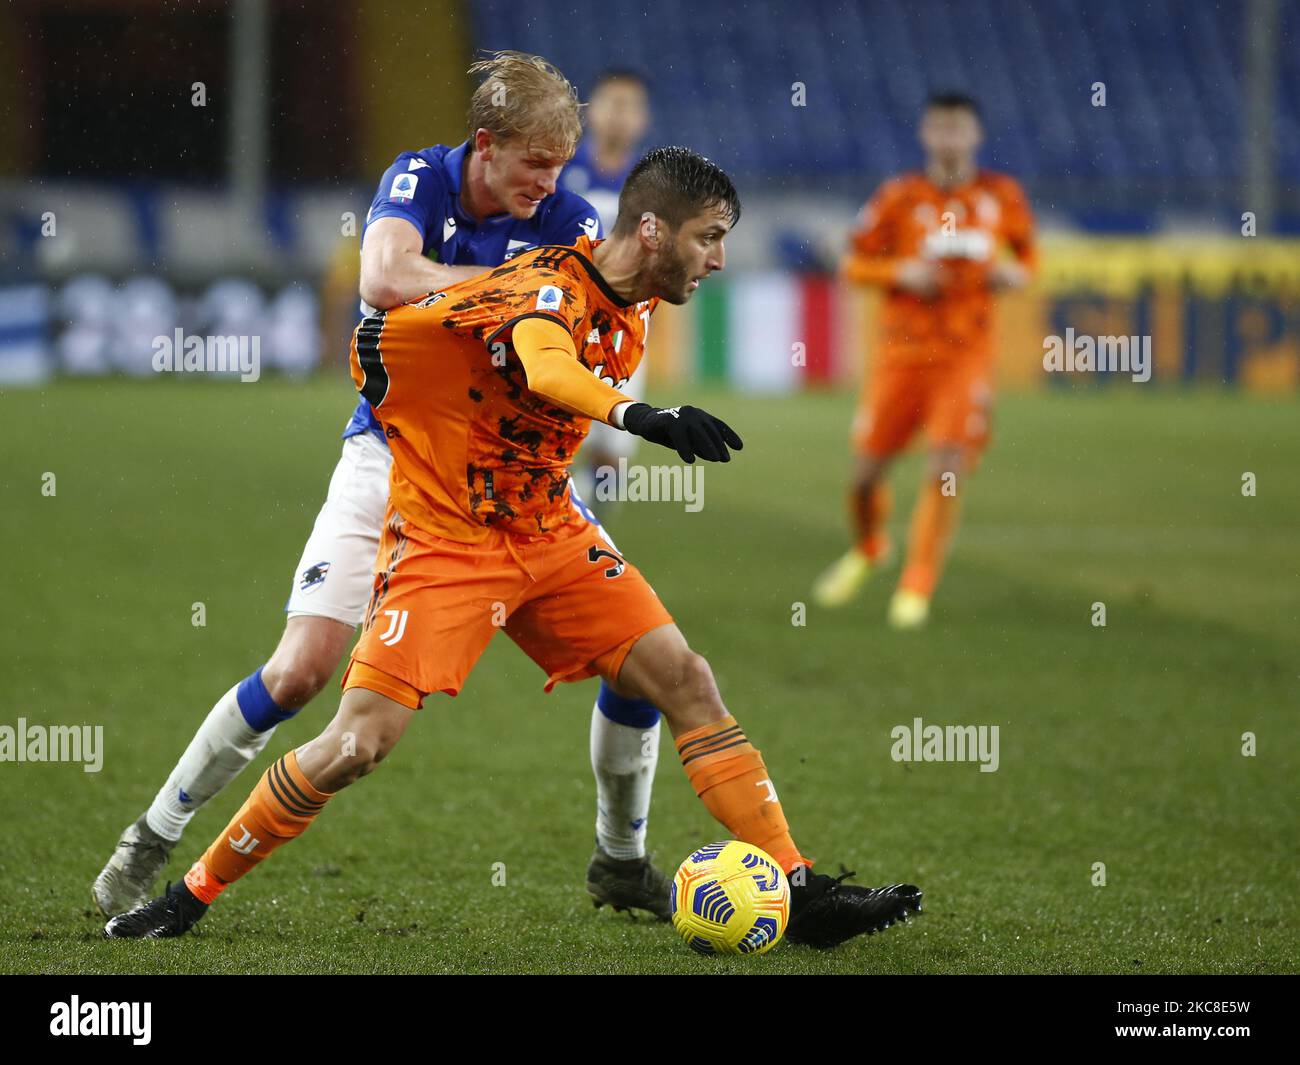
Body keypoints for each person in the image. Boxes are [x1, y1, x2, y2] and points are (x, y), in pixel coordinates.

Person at [106, 147, 923, 949]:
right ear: (651, 230)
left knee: (684, 677)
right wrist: (646, 417)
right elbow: (543, 364)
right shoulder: (550, 283)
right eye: (708, 236)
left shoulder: (633, 298)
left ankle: (798, 885)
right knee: (356, 743)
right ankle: (187, 895)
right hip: (448, 540)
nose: (718, 258)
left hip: (549, 531)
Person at [93, 51, 673, 924]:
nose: (550, 184)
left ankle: (620, 857)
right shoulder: (420, 180)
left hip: (508, 476)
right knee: (299, 673)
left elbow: (579, 336)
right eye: (534, 165)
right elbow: (385, 278)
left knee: (649, 662)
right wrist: (510, 290)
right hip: (387, 458)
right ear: (486, 145)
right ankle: (154, 830)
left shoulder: (569, 218)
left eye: (560, 165)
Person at [812, 92, 1037, 628]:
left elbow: (1028, 254)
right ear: (925, 135)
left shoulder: (1002, 196)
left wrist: (1017, 273)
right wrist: (899, 274)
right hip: (901, 357)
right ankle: (870, 548)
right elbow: (851, 262)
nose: (950, 139)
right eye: (940, 129)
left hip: (965, 357)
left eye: (959, 129)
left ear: (975, 136)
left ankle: (916, 584)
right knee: (865, 477)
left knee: (947, 466)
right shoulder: (899, 197)